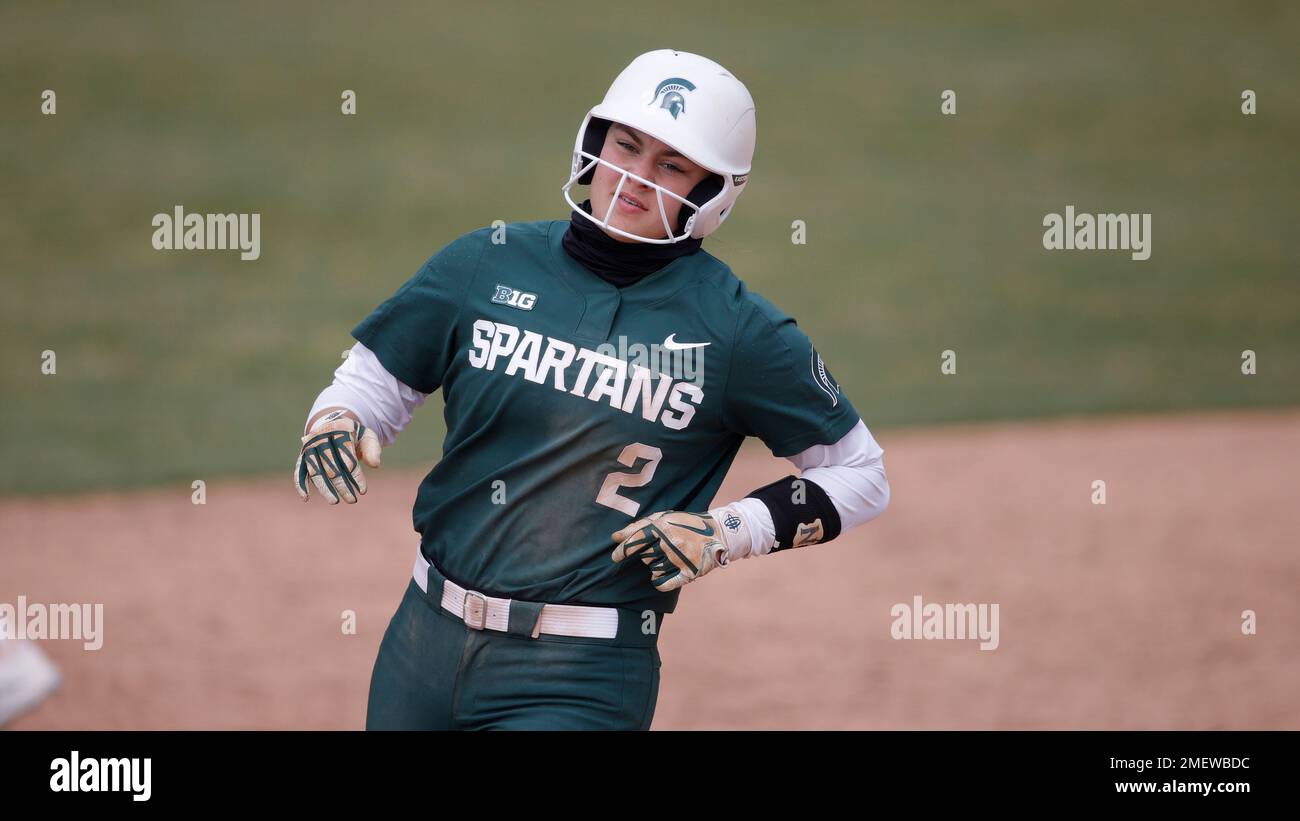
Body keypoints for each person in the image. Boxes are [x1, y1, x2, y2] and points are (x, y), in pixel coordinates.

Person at [295, 49, 890, 730]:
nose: (634, 176)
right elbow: (376, 378)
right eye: (625, 145)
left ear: (712, 192)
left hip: (579, 674)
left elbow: (860, 471)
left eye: (670, 164)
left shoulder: (735, 330)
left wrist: (729, 531)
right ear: (592, 141)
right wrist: (338, 416)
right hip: (420, 640)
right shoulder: (486, 260)